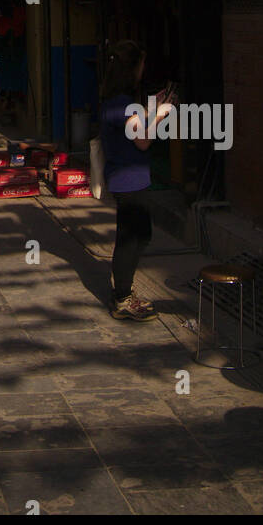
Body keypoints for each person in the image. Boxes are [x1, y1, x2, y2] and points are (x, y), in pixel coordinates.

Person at [99, 40, 175, 322]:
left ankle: (122, 292)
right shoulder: (123, 105)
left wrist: (150, 109)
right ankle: (122, 297)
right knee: (132, 238)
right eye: (141, 65)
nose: (143, 70)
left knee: (137, 235)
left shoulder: (115, 102)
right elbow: (143, 140)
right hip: (129, 180)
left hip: (126, 178)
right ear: (131, 69)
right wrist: (160, 114)